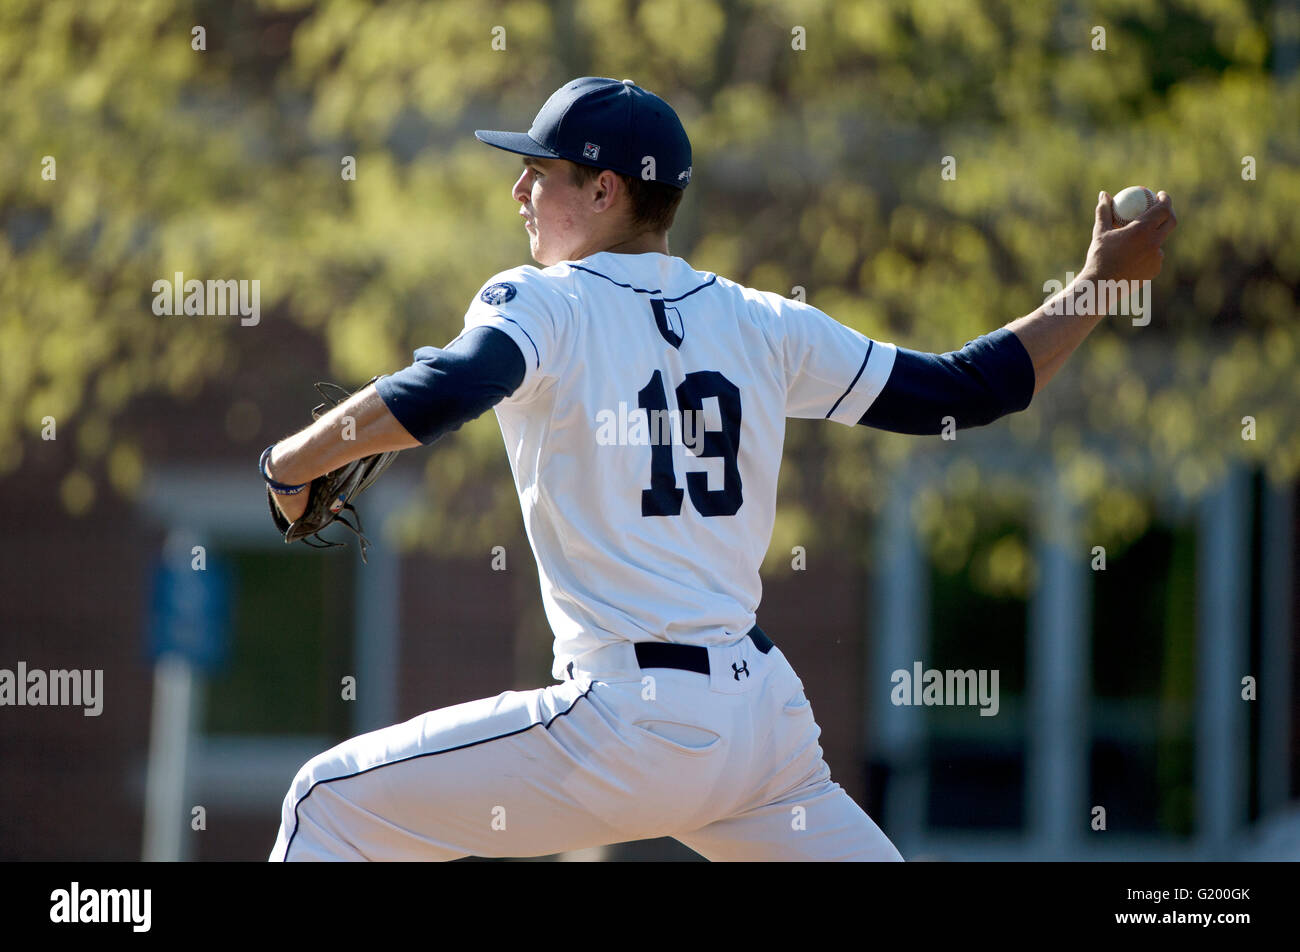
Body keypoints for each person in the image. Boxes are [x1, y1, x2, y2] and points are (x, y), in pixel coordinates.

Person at [262, 76, 1175, 861]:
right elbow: (965, 391)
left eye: (540, 172)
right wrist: (1097, 285)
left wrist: (294, 458)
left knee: (325, 802)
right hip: (760, 728)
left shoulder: (544, 301)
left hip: (629, 720)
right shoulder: (763, 322)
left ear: (605, 189)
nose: (519, 191)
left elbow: (455, 384)